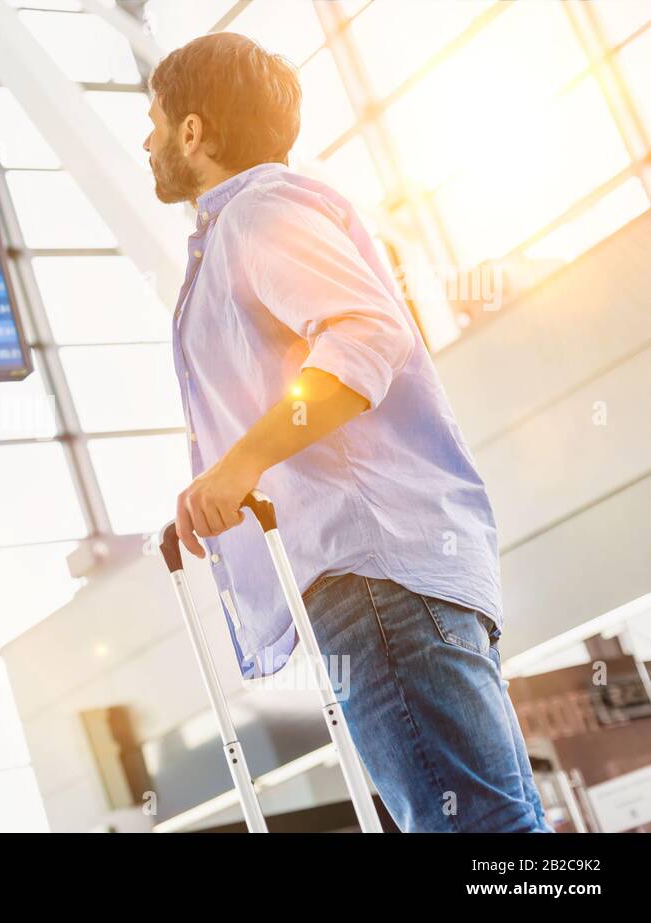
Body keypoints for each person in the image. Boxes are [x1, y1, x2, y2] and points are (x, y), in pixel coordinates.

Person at [142, 31, 550, 832]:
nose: (147, 139)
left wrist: (240, 465)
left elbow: (364, 334)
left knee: (475, 833)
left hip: (374, 572)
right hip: (390, 574)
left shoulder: (258, 210)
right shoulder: (254, 221)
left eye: (154, 120)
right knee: (500, 830)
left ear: (192, 131)